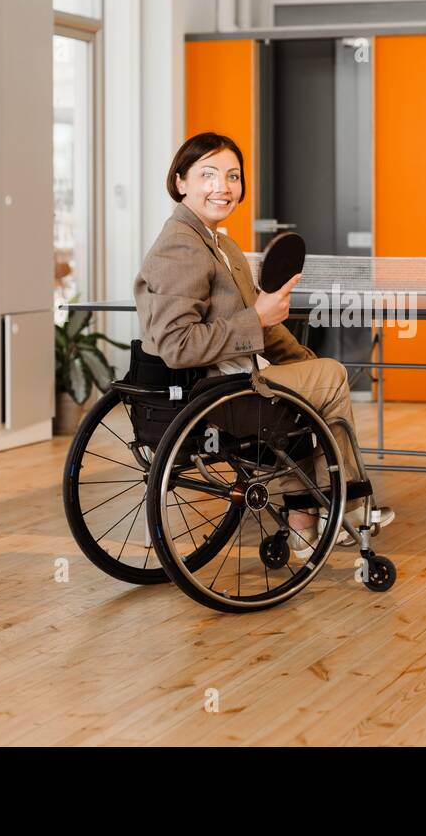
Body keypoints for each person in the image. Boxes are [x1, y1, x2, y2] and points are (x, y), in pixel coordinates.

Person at [134, 131, 394, 557]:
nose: (223, 187)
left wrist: (302, 360)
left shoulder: (222, 245)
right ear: (180, 181)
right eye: (209, 175)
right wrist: (260, 320)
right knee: (332, 376)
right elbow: (177, 345)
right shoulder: (181, 245)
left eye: (233, 176)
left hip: (232, 382)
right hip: (213, 396)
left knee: (314, 380)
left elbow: (266, 327)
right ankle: (347, 502)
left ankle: (302, 522)